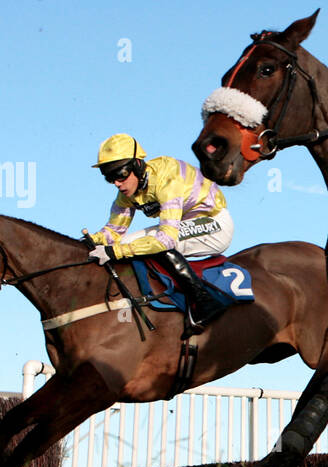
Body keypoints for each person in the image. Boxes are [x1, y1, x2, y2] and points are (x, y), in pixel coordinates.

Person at [88, 133, 236, 337]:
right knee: (130, 243)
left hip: (215, 224)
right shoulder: (126, 194)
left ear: (138, 165)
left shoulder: (167, 178)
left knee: (147, 243)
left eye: (120, 174)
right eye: (109, 177)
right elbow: (113, 233)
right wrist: (90, 242)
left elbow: (166, 239)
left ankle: (205, 301)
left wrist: (117, 251)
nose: (116, 182)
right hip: (186, 224)